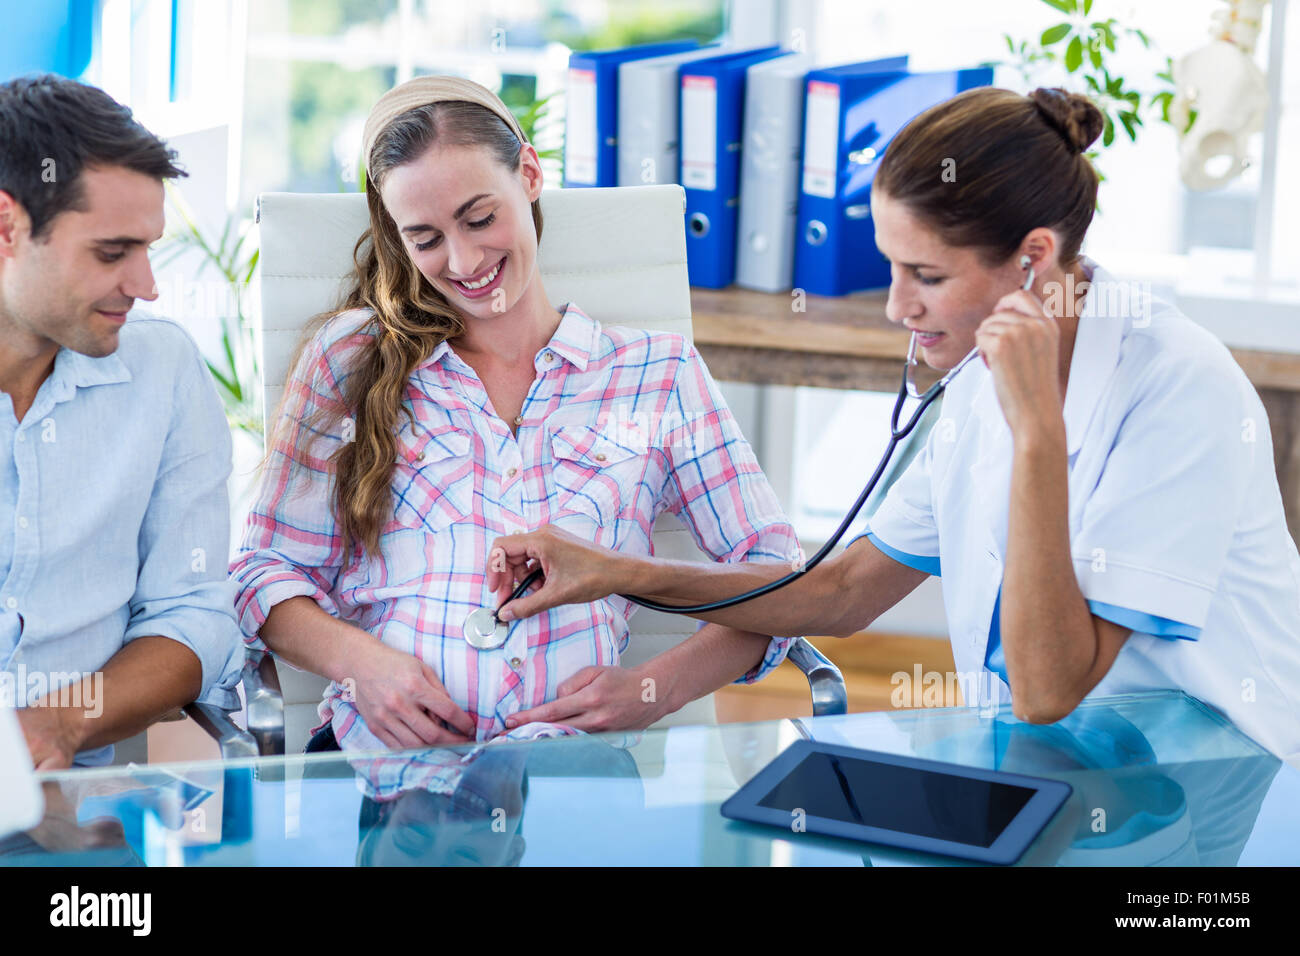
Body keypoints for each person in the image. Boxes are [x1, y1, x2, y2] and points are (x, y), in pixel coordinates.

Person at [486, 87, 1300, 762]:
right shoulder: (981, 374)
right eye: (890, 265)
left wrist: (1037, 440)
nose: (895, 307)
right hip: (1052, 776)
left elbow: (1049, 689)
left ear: (1034, 258)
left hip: (1210, 794)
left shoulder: (1178, 392)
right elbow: (843, 592)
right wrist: (611, 569)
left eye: (927, 275)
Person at [229, 76, 800, 753]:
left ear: (528, 174)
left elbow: (778, 576)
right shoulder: (352, 358)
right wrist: (365, 666)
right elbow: (262, 572)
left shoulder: (657, 373)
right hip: (386, 769)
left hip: (569, 773)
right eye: (426, 238)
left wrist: (657, 688)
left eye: (479, 218)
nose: (465, 261)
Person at [0, 74, 244, 769]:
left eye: (147, 249)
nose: (147, 285)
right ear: (7, 227)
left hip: (66, 822)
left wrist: (58, 727)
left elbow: (195, 613)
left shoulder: (162, 372)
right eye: (112, 253)